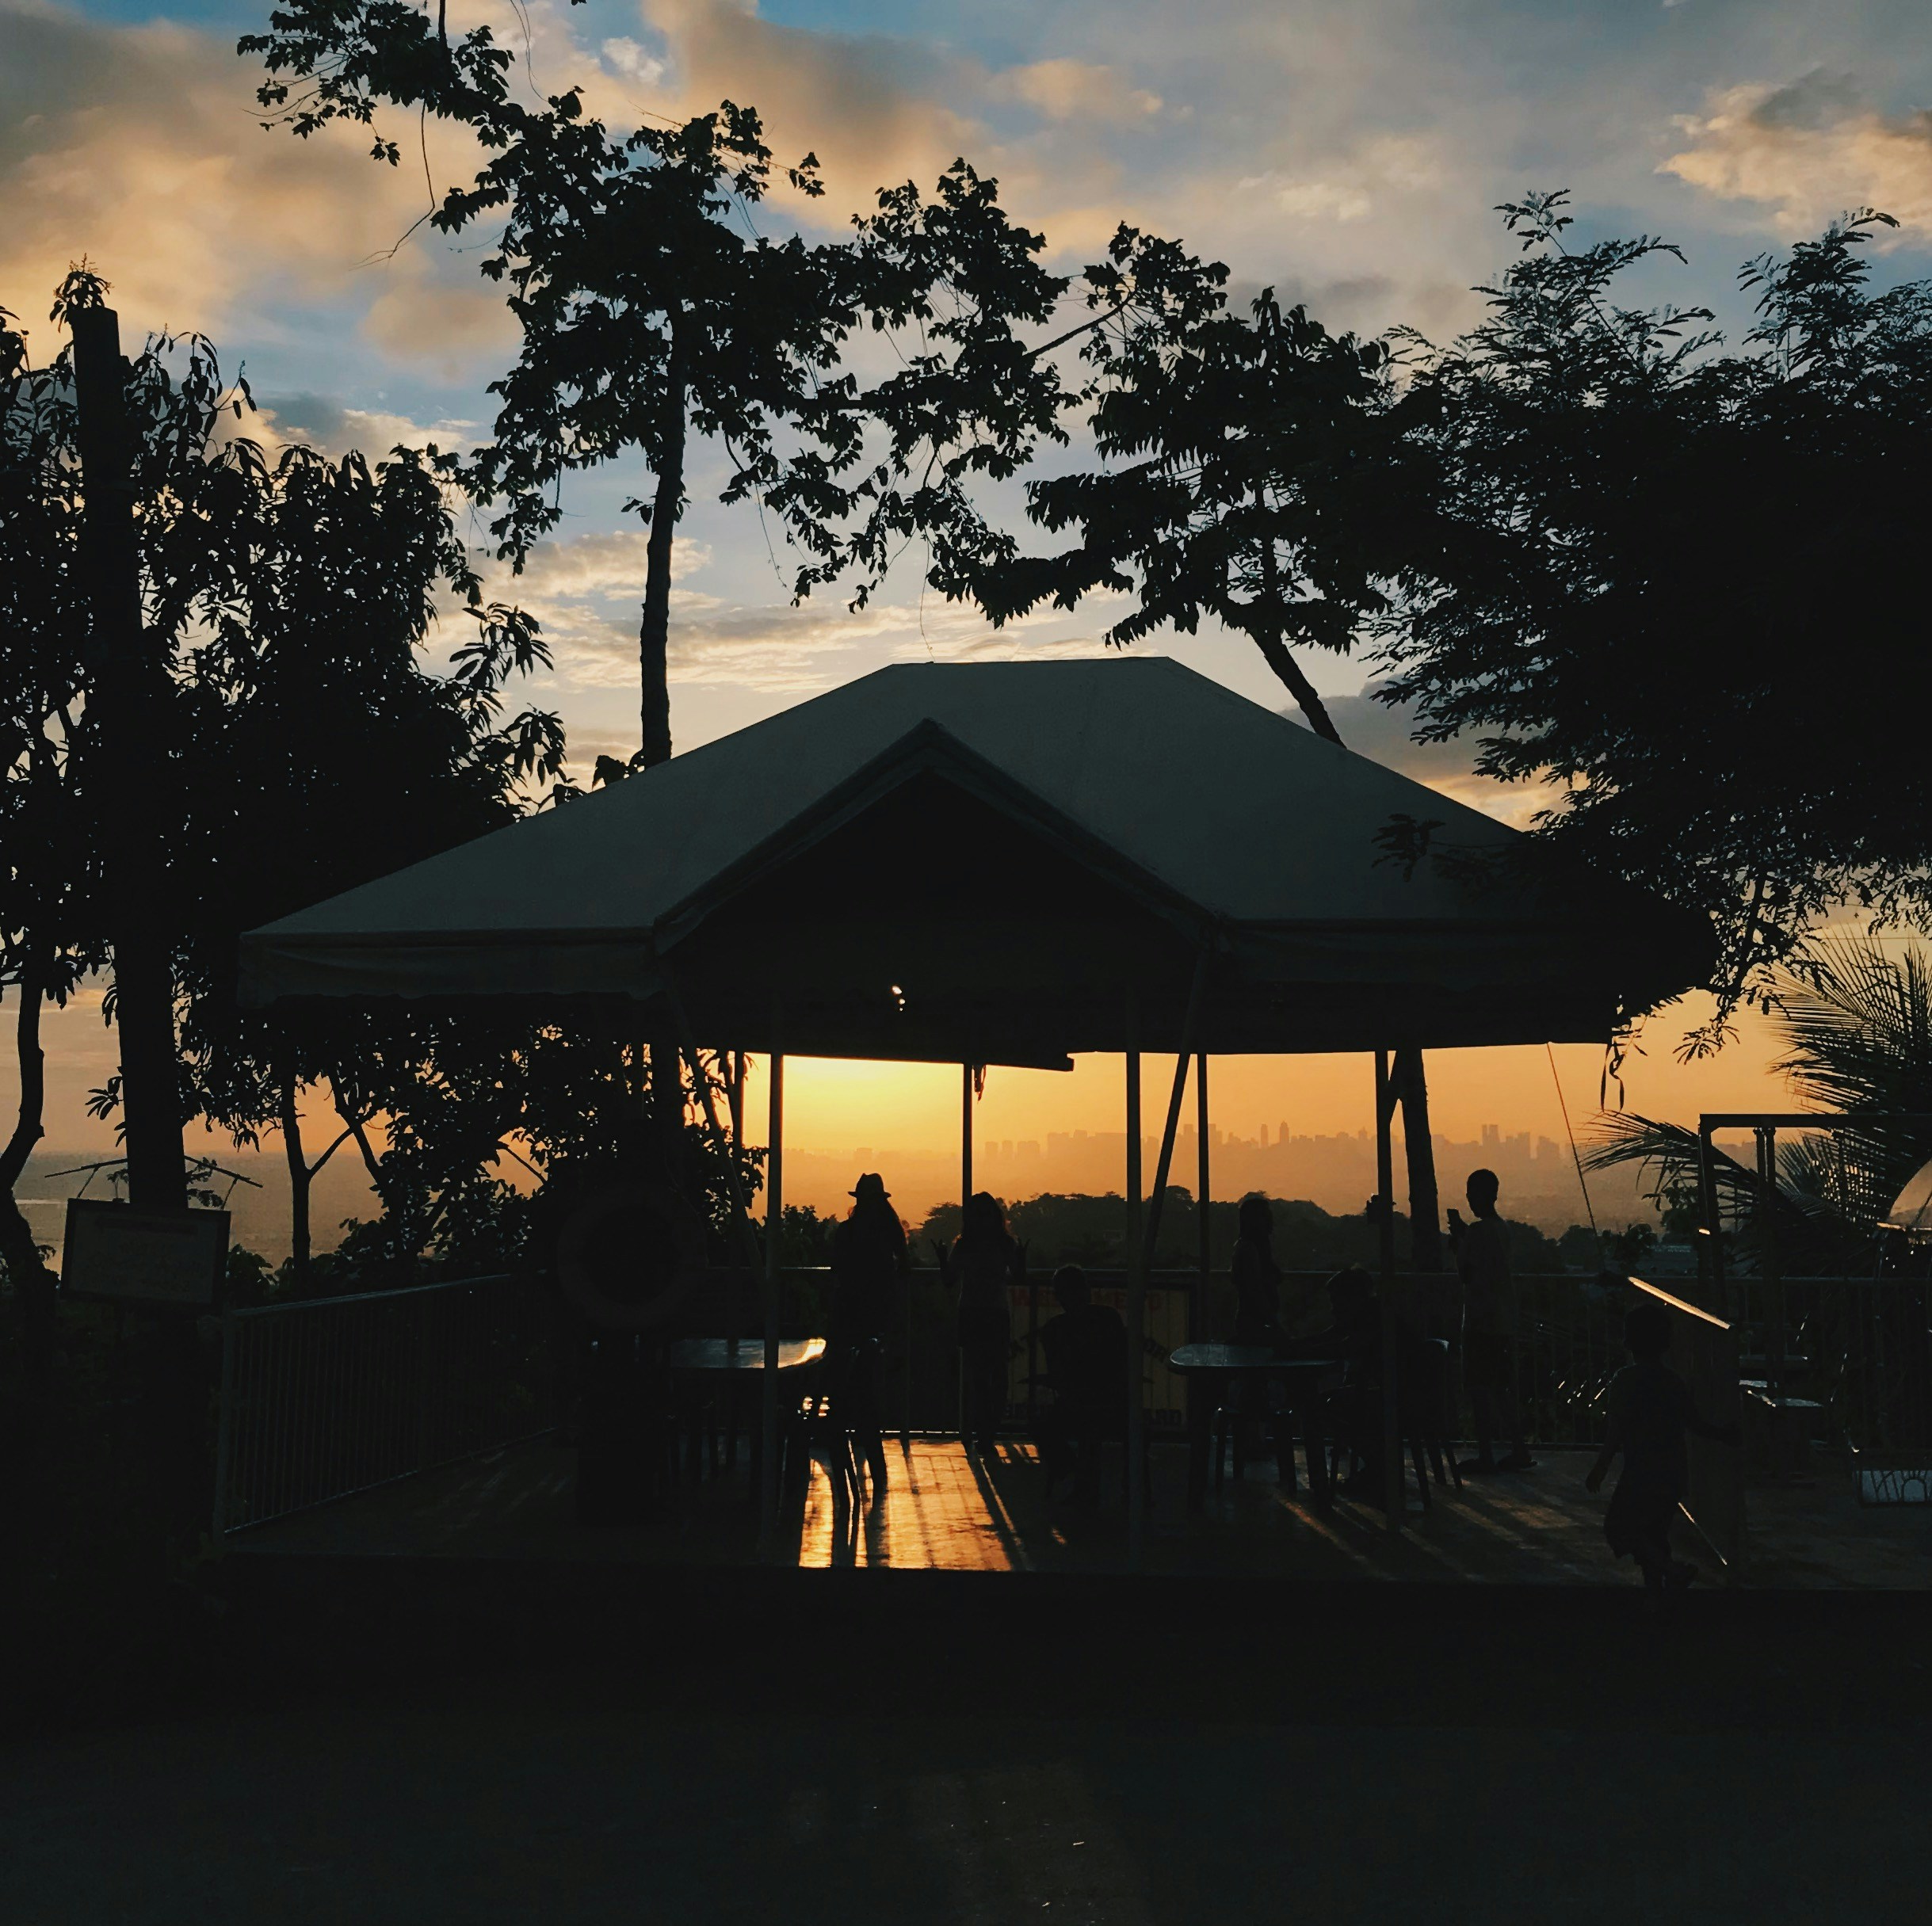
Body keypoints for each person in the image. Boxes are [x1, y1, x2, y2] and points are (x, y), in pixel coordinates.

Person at [1586, 1302, 1739, 1592]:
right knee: (1655, 1535)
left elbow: (1615, 1432)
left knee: (1621, 1527)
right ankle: (1658, 1596)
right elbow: (1694, 1422)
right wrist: (1724, 1435)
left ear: (1629, 1341)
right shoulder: (1671, 1381)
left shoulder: (1625, 1381)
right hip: (1672, 1471)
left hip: (1641, 1472)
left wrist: (1600, 1467)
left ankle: (1672, 1572)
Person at [1449, 1168, 1534, 1473]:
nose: (1470, 1199)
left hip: (1480, 1320)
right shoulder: (1501, 1229)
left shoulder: (1479, 1232)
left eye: (1472, 1194)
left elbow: (1467, 1274)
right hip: (1501, 1318)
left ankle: (1486, 1454)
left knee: (1480, 1390)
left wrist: (1459, 1244)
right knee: (1500, 1389)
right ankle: (1517, 1448)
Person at [827, 1173, 908, 1492]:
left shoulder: (847, 1234)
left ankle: (847, 1438)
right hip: (877, 1323)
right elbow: (903, 1272)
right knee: (869, 1387)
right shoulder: (889, 1236)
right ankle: (870, 1446)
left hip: (847, 1320)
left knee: (844, 1386)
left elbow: (837, 1273)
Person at [939, 1192, 1024, 1455]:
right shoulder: (1005, 1244)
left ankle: (982, 1433)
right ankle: (989, 1432)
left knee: (980, 1378)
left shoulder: (966, 1244)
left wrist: (943, 1260)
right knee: (995, 1377)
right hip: (994, 1312)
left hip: (974, 1311)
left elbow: (950, 1280)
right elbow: (1019, 1277)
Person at [1036, 1265, 1128, 1504]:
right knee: (1088, 1426)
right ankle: (1083, 1479)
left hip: (1078, 1403)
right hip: (1113, 1403)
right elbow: (1121, 1361)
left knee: (1043, 1426)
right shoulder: (1108, 1319)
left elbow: (1057, 1374)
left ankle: (1073, 1471)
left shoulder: (1054, 1330)